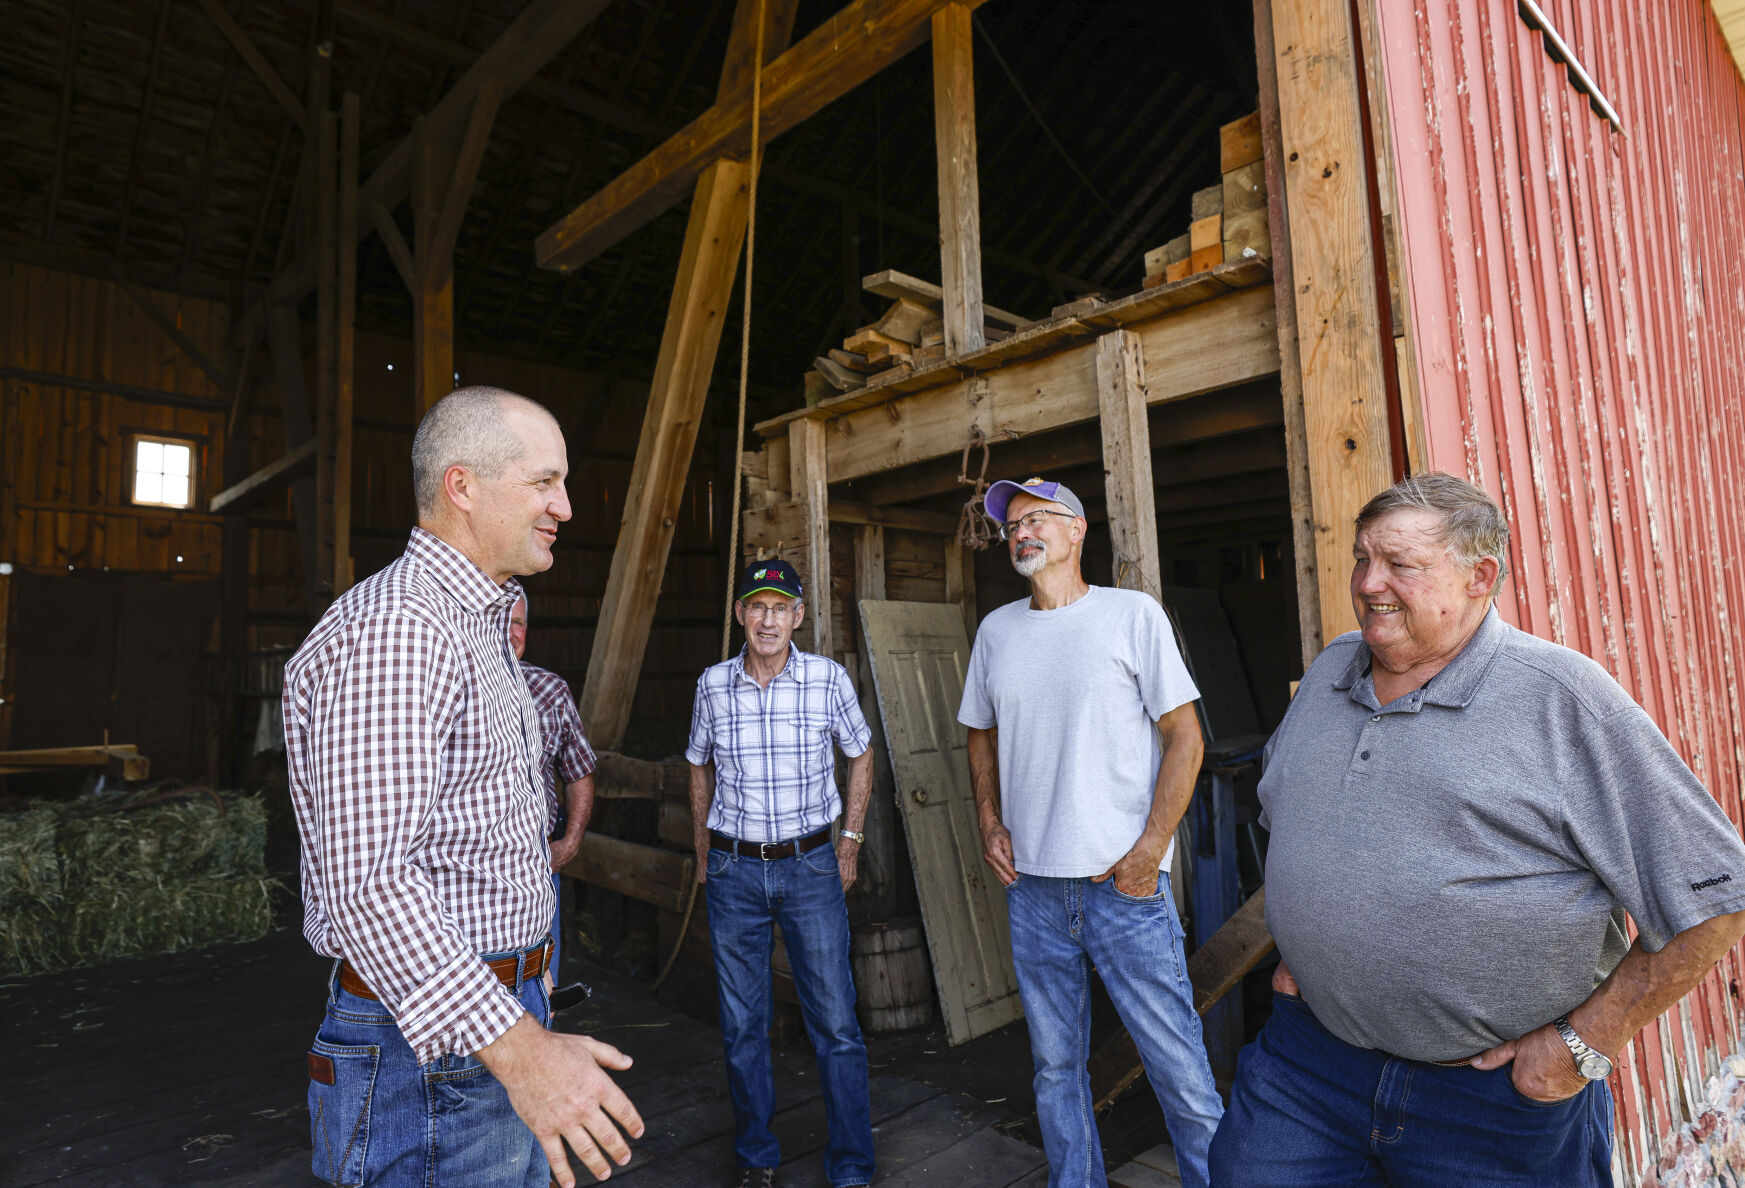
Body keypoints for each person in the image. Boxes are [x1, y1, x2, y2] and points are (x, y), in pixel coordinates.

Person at [1208, 472, 1745, 1187]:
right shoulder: (1335, 666)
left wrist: (1585, 1043)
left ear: (1478, 576)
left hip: (1488, 1099)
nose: (1369, 583)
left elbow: (1716, 896)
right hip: (1308, 1066)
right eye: (1363, 559)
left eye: (1400, 564)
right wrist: (1313, 941)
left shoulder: (1561, 697)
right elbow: (1297, 823)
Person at [284, 386, 643, 1188]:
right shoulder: (400, 630)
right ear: (462, 486)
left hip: (483, 1018)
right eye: (544, 482)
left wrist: (531, 969)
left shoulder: (475, 626)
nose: (567, 506)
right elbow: (368, 886)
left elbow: (481, 831)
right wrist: (522, 1052)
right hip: (431, 1051)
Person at [958, 475, 1225, 1188]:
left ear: (1077, 531)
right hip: (1034, 893)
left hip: (1122, 890)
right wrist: (989, 819)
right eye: (1012, 524)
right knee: (1053, 1070)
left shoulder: (1129, 616)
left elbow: (1185, 738)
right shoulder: (997, 631)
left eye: (1038, 518)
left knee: (1177, 1070)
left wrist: (1148, 853)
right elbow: (978, 733)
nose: (1021, 532)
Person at [685, 559, 878, 1188]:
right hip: (734, 869)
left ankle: (850, 1165)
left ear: (798, 617)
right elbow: (697, 766)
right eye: (756, 607)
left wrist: (849, 841)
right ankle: (756, 1158)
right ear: (741, 615)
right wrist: (701, 850)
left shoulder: (827, 679)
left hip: (810, 867)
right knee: (743, 1026)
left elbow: (861, 752)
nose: (768, 620)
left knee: (836, 1024)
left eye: (781, 608)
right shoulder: (712, 684)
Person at [509, 593, 597, 989]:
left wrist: (571, 841)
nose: (510, 633)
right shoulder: (446, 685)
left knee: (540, 986)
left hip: (537, 863)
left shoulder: (549, 689)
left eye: (518, 623)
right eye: (500, 620)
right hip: (465, 872)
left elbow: (579, 771)